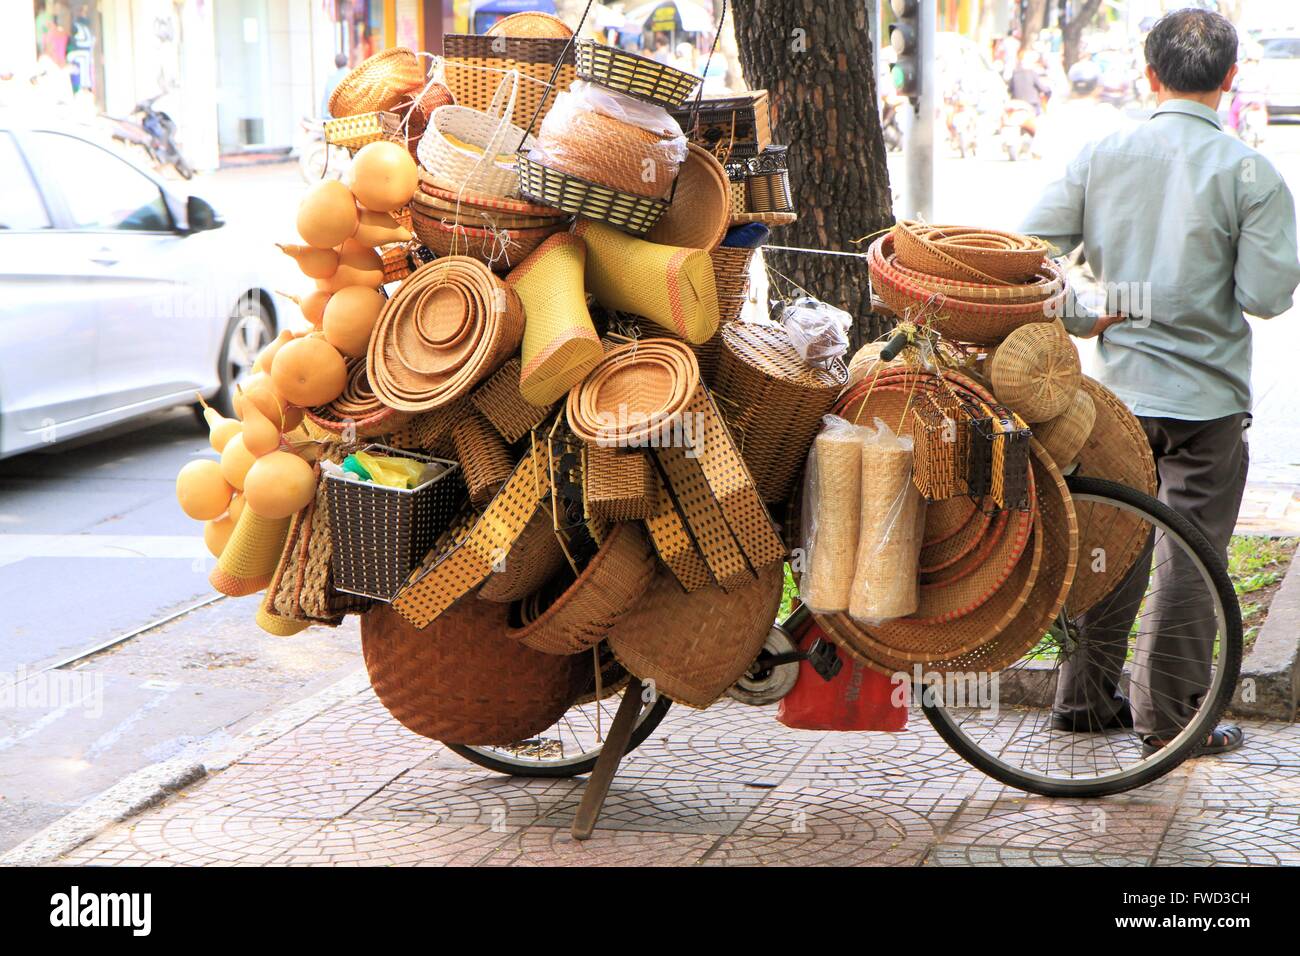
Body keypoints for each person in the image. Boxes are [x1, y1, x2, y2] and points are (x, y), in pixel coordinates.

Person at [1020, 9, 1300, 757]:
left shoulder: (1103, 153)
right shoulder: (1252, 173)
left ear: (1150, 74)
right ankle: (1170, 721)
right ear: (1230, 79)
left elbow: (1027, 251)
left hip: (1114, 397)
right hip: (1206, 405)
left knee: (1114, 534)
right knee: (1192, 556)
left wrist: (1084, 313)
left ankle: (1082, 699)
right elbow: (1269, 296)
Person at [1033, 59, 1128, 172]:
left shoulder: (1055, 115)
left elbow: (1038, 154)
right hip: (1097, 186)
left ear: (1071, 86)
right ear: (1098, 87)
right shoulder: (1111, 115)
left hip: (1058, 186)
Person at [321, 53, 349, 119]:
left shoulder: (330, 78)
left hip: (333, 119)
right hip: (349, 119)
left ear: (335, 64)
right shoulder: (351, 76)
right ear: (347, 62)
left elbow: (325, 102)